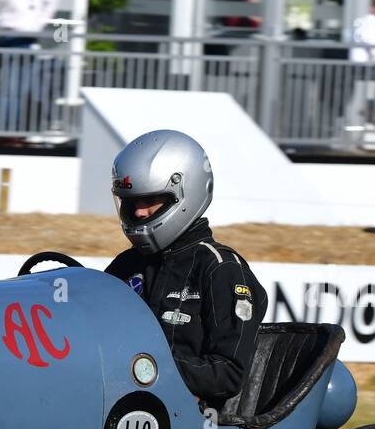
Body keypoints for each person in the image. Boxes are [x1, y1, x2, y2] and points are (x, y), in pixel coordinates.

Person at [104, 131, 267, 408]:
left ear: (184, 194)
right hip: (117, 402)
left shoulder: (220, 269)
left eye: (150, 200)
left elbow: (228, 373)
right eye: (132, 202)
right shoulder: (125, 265)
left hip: (188, 420)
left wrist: (146, 368)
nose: (140, 213)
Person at [0, 0, 59, 143]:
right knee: (9, 88)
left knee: (21, 89)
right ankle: (4, 130)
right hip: (11, 34)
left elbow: (52, 0)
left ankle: (12, 130)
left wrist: (40, 22)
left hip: (29, 37)